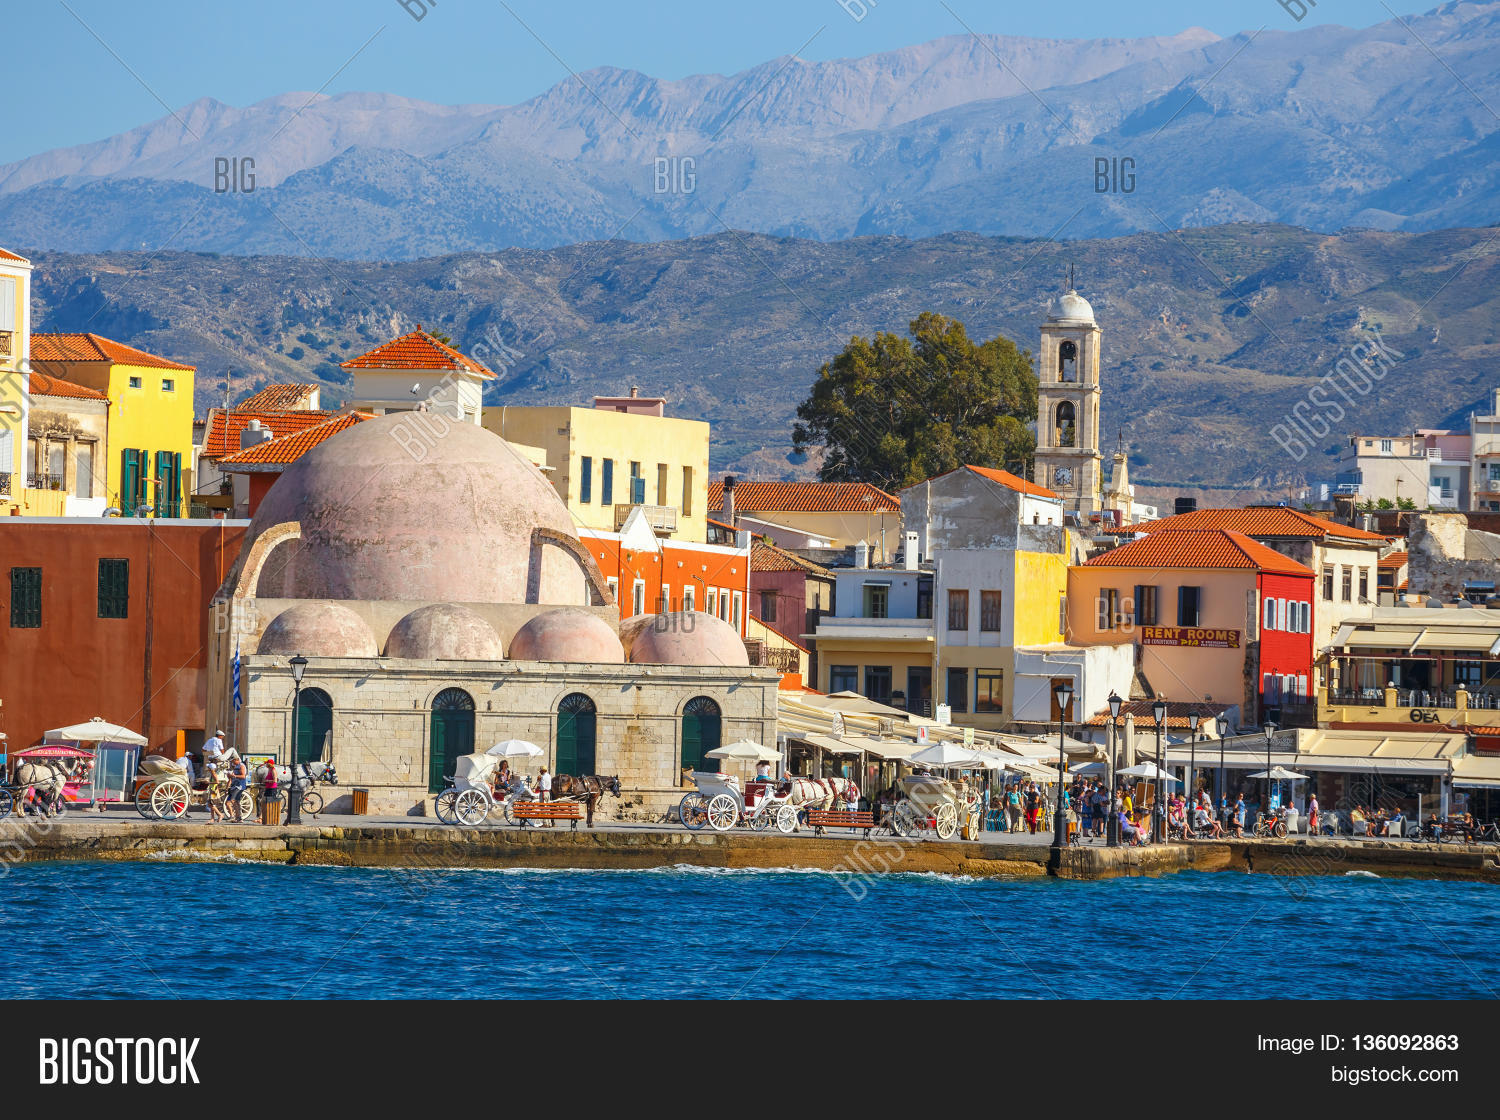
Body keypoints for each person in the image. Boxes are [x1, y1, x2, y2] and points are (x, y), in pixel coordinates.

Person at [226, 755, 249, 823]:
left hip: (239, 786)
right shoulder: (236, 766)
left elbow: (243, 776)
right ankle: (238, 817)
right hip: (234, 786)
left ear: (236, 760)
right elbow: (232, 778)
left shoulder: (241, 765)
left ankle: (238, 817)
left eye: (233, 761)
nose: (232, 762)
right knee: (234, 801)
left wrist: (234, 776)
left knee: (234, 801)